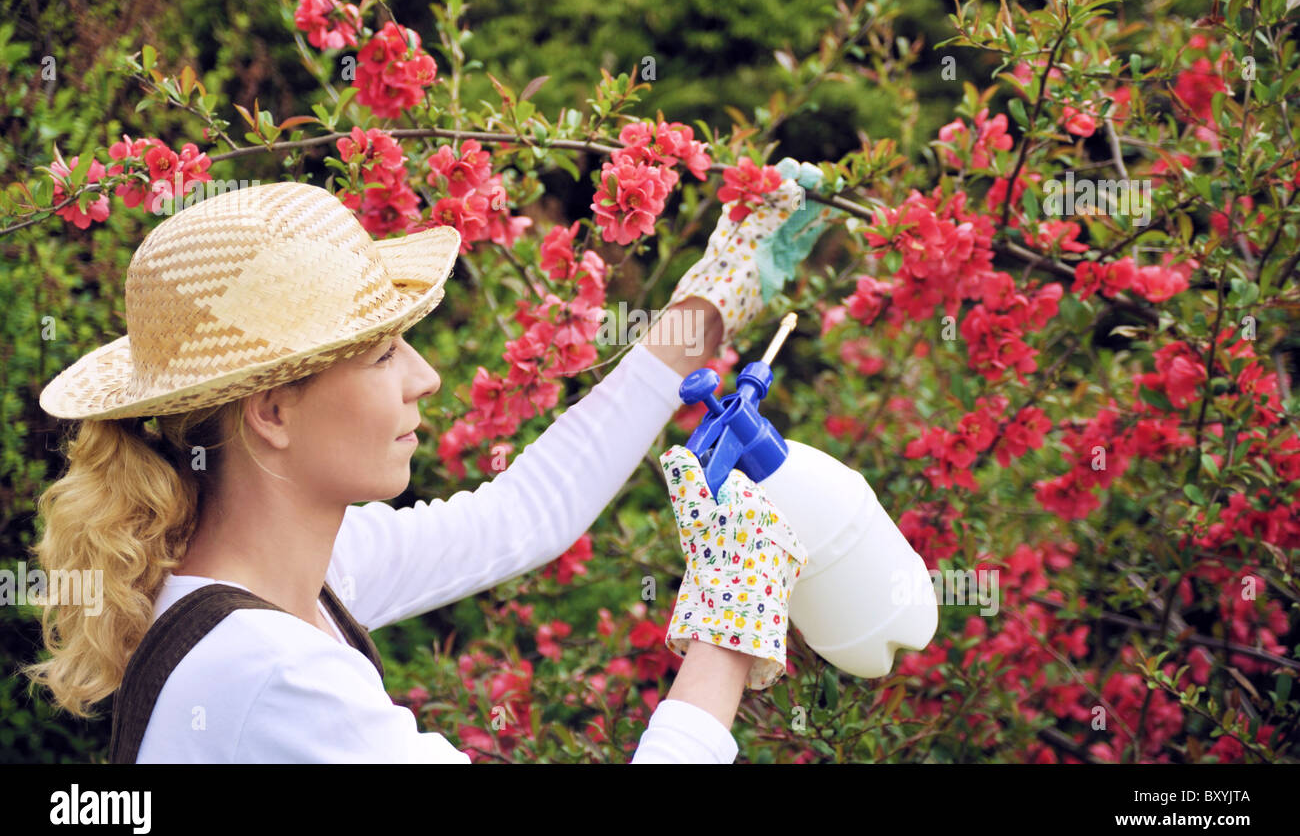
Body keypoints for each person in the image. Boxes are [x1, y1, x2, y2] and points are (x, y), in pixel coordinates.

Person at [24, 174, 828, 763]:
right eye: (381, 353)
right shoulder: (272, 676)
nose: (425, 377)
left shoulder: (276, 580)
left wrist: (707, 305)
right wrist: (730, 625)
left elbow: (523, 513)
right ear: (271, 412)